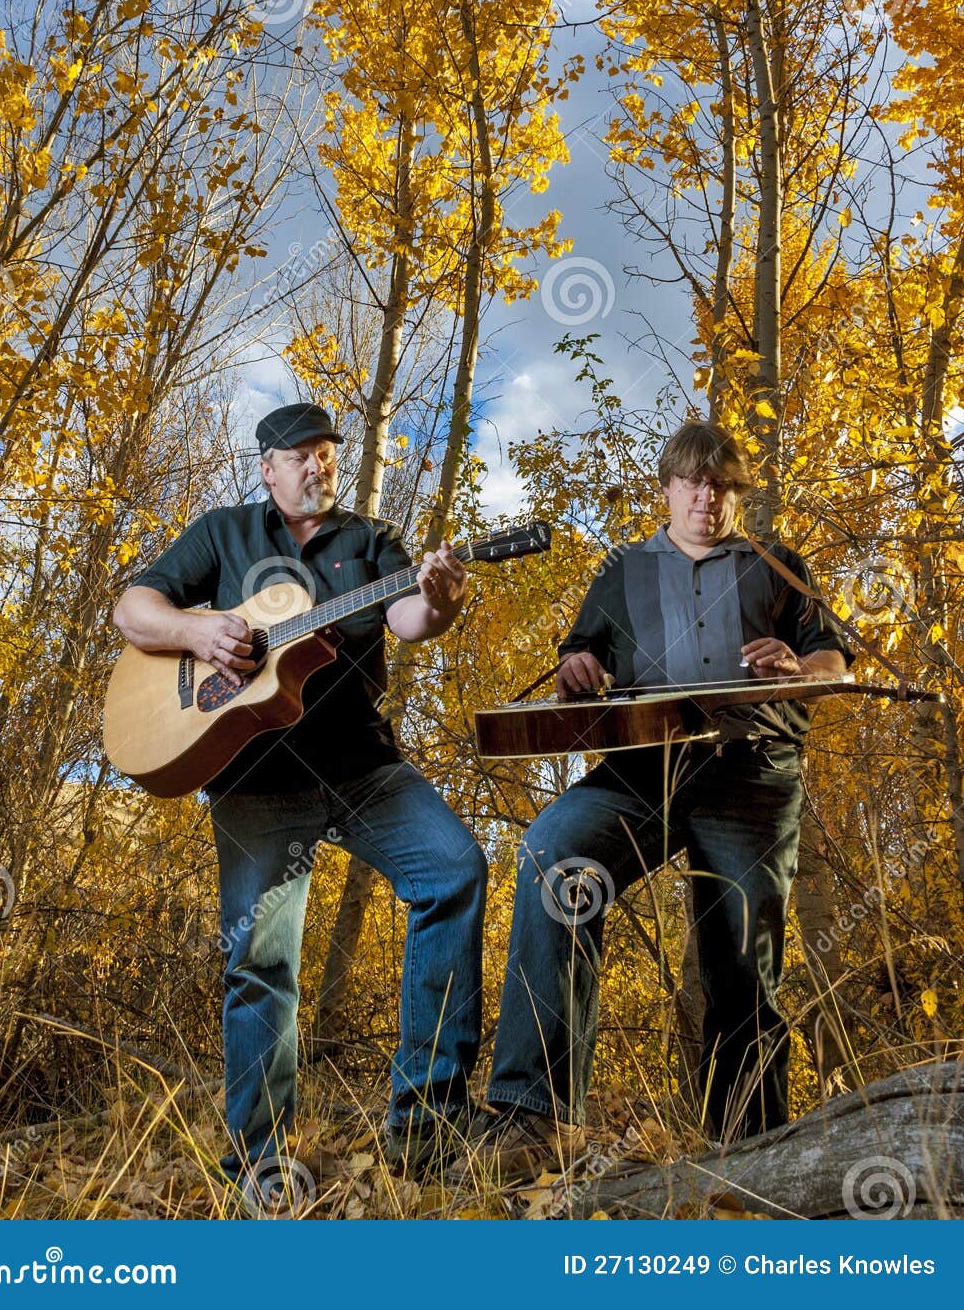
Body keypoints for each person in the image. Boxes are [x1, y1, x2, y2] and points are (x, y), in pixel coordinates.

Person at [112, 402, 487, 1199]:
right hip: (255, 778)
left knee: (453, 870)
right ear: (267, 469)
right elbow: (132, 610)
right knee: (261, 961)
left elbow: (410, 619)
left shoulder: (372, 541)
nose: (317, 466)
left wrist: (442, 599)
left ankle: (425, 1130)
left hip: (362, 765)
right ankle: (260, 1164)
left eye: (326, 454)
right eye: (300, 456)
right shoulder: (222, 533)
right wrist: (198, 634)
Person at [473, 418, 850, 1179]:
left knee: (741, 958)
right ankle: (533, 1119)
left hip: (751, 772)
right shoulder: (622, 570)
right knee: (553, 857)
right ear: (668, 488)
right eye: (691, 482)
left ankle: (747, 1151)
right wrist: (576, 668)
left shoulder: (779, 566)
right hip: (642, 771)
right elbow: (578, 655)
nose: (705, 497)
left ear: (735, 493)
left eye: (720, 485)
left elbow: (834, 662)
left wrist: (797, 664)